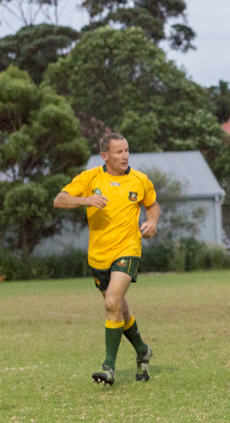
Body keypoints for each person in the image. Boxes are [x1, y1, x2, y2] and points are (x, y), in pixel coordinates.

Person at [54, 133, 159, 385]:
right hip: (99, 255)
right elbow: (59, 200)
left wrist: (152, 221)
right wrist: (85, 199)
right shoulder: (89, 178)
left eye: (126, 151)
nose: (125, 156)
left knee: (112, 302)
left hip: (128, 249)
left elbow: (152, 205)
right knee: (119, 309)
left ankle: (108, 367)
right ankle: (143, 350)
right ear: (105, 156)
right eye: (119, 152)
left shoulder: (140, 180)